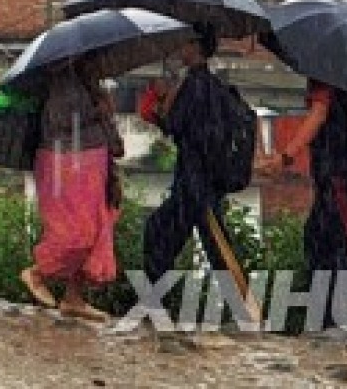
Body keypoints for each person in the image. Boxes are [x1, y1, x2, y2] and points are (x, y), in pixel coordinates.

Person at [258, 79, 347, 353]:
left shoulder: (329, 72)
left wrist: (285, 156)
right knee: (319, 240)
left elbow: (319, 113)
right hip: (332, 172)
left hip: (339, 171)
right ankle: (329, 322)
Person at [139, 25, 251, 321]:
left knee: (213, 246)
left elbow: (182, 129)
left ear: (197, 47)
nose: (180, 49)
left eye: (185, 43)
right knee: (163, 235)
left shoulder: (197, 86)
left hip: (197, 182)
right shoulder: (209, 86)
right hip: (194, 181)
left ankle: (245, 312)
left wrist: (163, 104)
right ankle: (157, 307)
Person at [19, 55, 124, 321]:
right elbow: (61, 121)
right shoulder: (60, 81)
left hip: (93, 161)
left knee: (98, 228)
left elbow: (108, 130)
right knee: (76, 232)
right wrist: (96, 110)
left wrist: (108, 123)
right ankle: (37, 272)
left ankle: (74, 297)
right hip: (65, 162)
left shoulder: (90, 83)